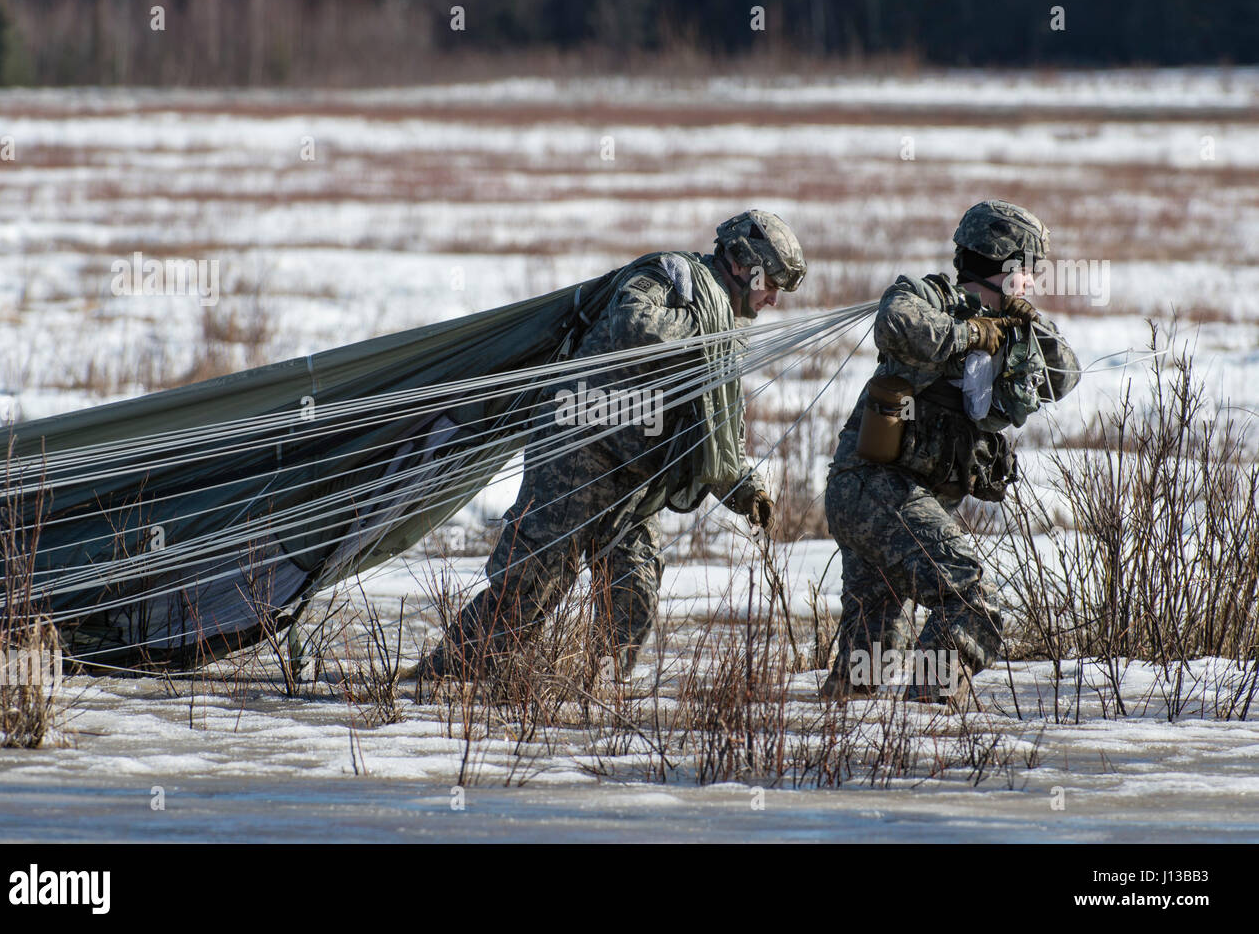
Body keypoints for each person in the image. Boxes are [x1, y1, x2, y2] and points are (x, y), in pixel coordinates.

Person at [402, 210, 807, 684]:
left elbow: (717, 428)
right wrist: (701, 328)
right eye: (772, 282)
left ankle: (589, 689)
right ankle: (450, 674)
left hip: (637, 476)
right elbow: (633, 326)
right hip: (579, 447)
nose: (775, 299)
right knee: (535, 577)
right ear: (743, 264)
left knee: (633, 588)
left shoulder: (727, 330)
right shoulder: (671, 278)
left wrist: (745, 489)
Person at [821, 200, 1081, 705]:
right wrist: (970, 333)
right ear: (1009, 268)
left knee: (870, 656)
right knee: (970, 599)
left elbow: (1063, 375)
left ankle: (834, 743)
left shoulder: (1013, 329)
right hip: (874, 489)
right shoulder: (926, 298)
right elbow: (896, 324)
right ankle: (933, 714)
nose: (1033, 283)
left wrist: (1028, 323)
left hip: (894, 499)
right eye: (1028, 273)